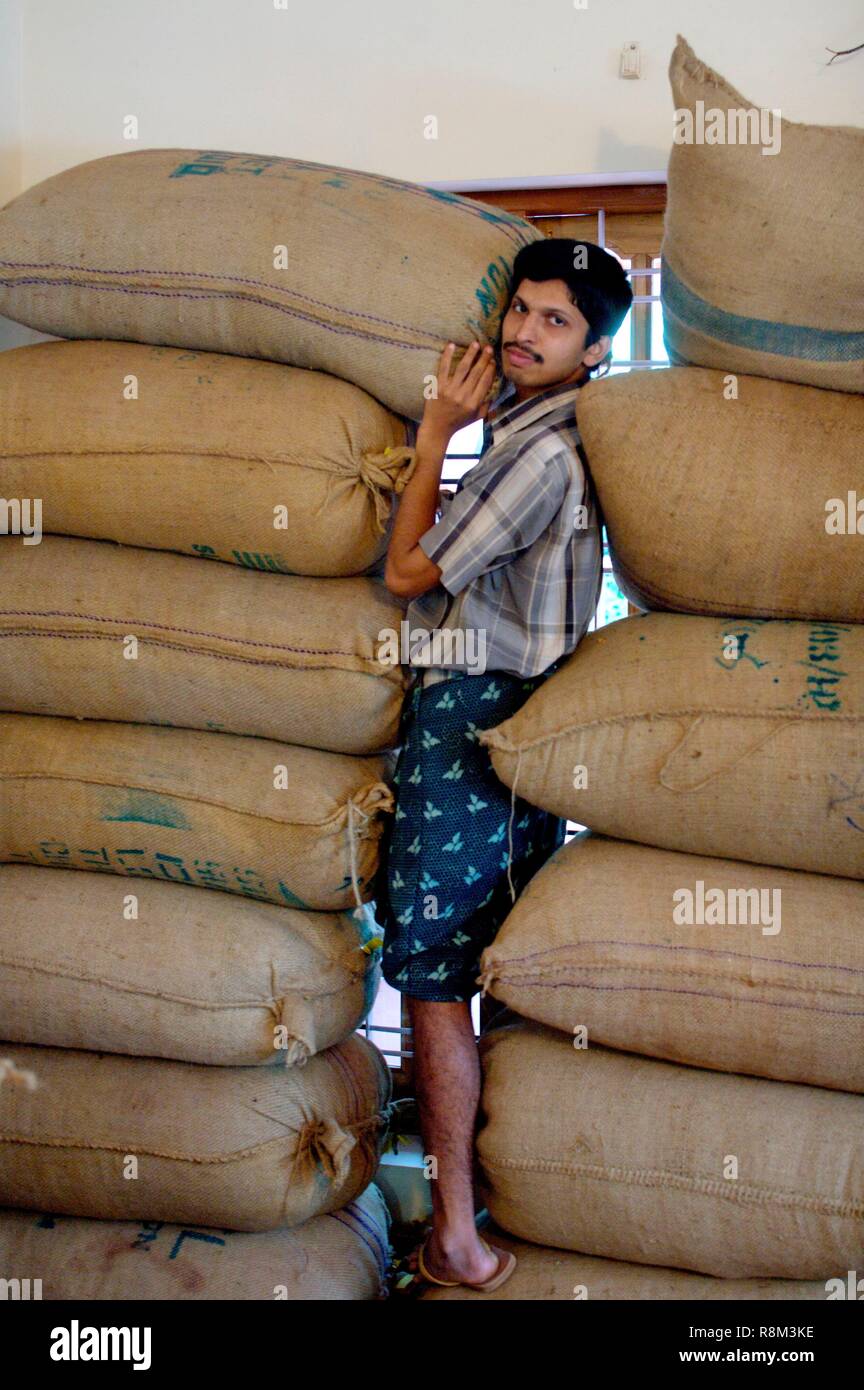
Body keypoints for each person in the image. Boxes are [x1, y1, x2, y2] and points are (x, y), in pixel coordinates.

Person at [373, 238, 633, 1292]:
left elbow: (403, 572)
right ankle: (505, 1207)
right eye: (519, 309)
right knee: (493, 975)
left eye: (554, 321)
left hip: (468, 728)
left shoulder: (535, 456)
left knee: (435, 982)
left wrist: (435, 429)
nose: (521, 333)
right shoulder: (540, 437)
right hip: (523, 734)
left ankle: (454, 1239)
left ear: (598, 348)